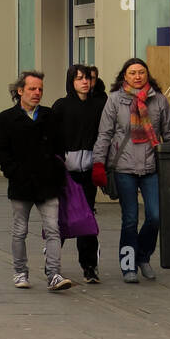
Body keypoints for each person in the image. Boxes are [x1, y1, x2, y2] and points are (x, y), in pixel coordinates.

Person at [92, 57, 170, 283]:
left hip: (152, 167)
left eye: (141, 72)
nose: (137, 76)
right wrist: (98, 164)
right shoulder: (114, 100)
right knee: (129, 219)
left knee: (155, 216)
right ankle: (128, 265)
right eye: (132, 73)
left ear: (147, 75)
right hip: (124, 167)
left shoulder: (158, 100)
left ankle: (143, 256)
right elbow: (104, 135)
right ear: (124, 76)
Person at [0, 70, 73, 291]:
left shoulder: (49, 116)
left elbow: (60, 145)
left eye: (40, 89)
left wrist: (56, 168)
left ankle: (54, 274)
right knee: (20, 230)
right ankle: (20, 272)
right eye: (32, 89)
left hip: (48, 183)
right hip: (21, 184)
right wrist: (13, 171)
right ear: (20, 91)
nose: (37, 93)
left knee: (53, 230)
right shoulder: (6, 118)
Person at [51, 64, 107, 283]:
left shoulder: (99, 105)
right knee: (61, 217)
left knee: (87, 217)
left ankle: (89, 265)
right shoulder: (61, 106)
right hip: (66, 170)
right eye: (79, 78)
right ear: (71, 82)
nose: (84, 82)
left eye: (87, 78)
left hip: (89, 170)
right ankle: (52, 261)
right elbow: (52, 137)